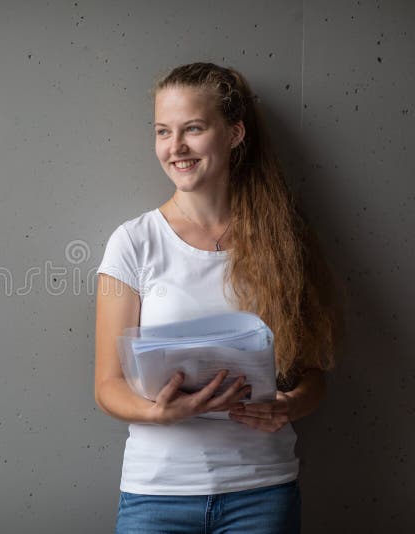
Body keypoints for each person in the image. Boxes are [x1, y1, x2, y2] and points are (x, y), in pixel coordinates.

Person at [94, 62, 345, 533]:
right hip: (157, 495)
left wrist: (289, 405)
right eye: (163, 131)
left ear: (233, 134)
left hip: (262, 493)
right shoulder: (130, 243)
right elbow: (107, 386)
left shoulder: (285, 239)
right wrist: (159, 411)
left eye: (193, 128)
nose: (175, 148)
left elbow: (313, 375)